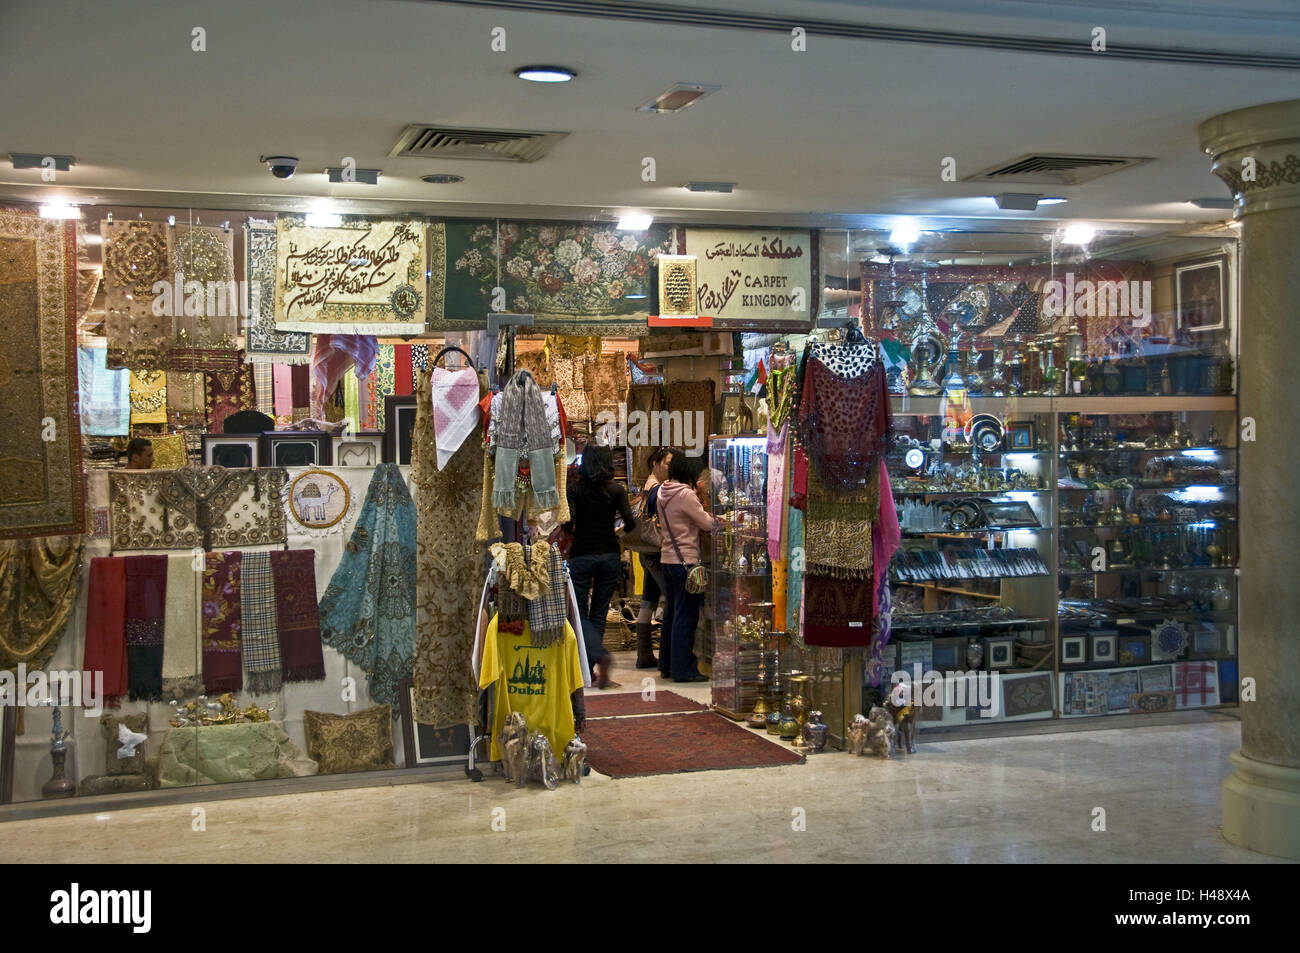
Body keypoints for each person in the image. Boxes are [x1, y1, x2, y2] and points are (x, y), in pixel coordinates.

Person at [564, 444, 637, 689]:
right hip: (609, 554)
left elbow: (568, 523)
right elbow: (631, 523)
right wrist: (615, 532)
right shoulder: (617, 489)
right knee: (599, 611)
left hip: (582, 554)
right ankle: (593, 664)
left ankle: (595, 659)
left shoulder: (574, 490)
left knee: (578, 611)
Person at [657, 452, 721, 682]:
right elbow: (706, 523)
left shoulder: (663, 491)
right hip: (686, 561)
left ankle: (667, 664)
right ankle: (684, 669)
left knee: (672, 614)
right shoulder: (685, 494)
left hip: (668, 559)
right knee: (686, 616)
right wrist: (719, 520)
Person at [633, 447, 674, 668]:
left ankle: (645, 653)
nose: (670, 467)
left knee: (648, 601)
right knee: (672, 597)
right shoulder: (656, 488)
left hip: (647, 551)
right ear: (656, 464)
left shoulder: (649, 486)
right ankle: (665, 653)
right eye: (667, 463)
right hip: (656, 552)